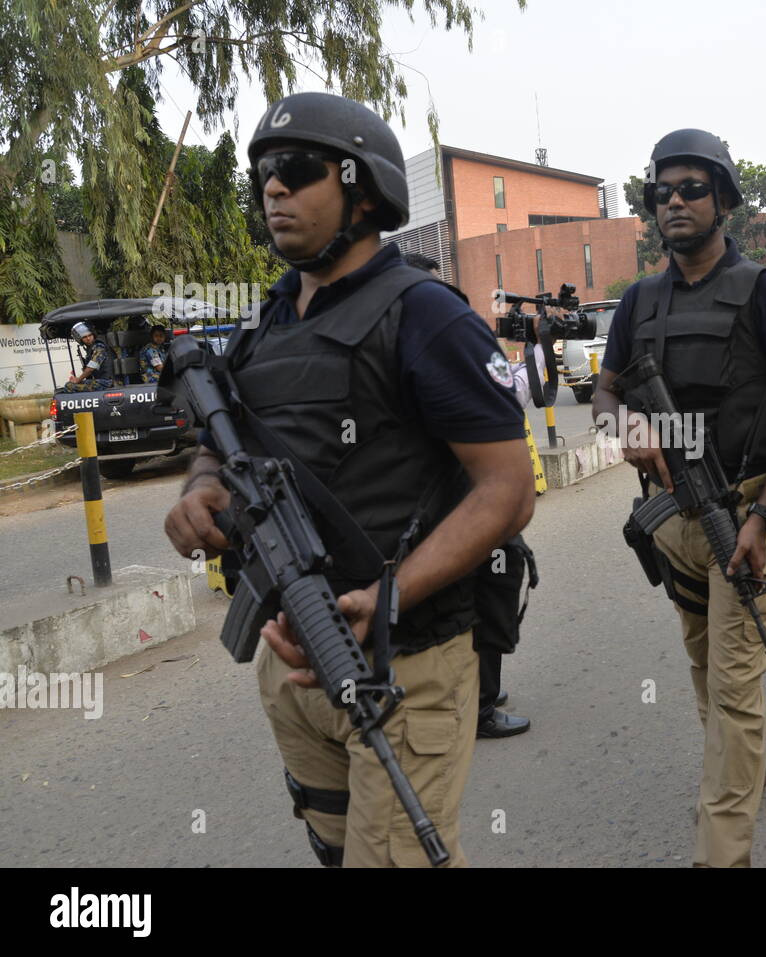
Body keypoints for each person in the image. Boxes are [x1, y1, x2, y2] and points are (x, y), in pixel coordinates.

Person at [163, 91, 535, 867]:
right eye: (263, 173)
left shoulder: (426, 316)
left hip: (405, 662)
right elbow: (221, 439)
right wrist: (199, 488)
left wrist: (390, 595)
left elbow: (508, 489)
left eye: (295, 171)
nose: (273, 189)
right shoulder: (270, 323)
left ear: (360, 188)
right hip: (290, 662)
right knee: (336, 852)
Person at [591, 129, 766, 866]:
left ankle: (722, 846)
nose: (676, 201)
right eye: (663, 191)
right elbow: (603, 390)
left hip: (743, 514)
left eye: (693, 188)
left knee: (733, 682)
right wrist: (623, 420)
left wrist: (760, 516)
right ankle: (742, 768)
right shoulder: (638, 301)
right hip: (672, 519)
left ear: (723, 200)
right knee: (702, 668)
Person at [402, 251, 532, 739]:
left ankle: (481, 690)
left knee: (485, 592)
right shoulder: (434, 349)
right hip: (459, 508)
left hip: (454, 503)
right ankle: (476, 708)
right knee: (485, 595)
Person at [63, 322, 117, 392]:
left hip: (108, 382)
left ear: (93, 335)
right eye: (84, 337)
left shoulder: (99, 347)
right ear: (80, 339)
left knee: (69, 386)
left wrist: (78, 380)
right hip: (102, 382)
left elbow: (91, 368)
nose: (88, 338)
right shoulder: (92, 348)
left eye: (90, 335)